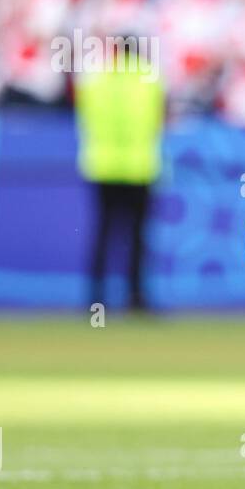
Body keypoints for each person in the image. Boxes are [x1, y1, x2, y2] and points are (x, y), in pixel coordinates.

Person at [75, 38, 165, 312]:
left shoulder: (97, 79)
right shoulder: (149, 79)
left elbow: (84, 114)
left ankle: (95, 297)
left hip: (103, 165)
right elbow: (158, 118)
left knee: (103, 233)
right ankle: (136, 297)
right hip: (140, 166)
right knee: (137, 236)